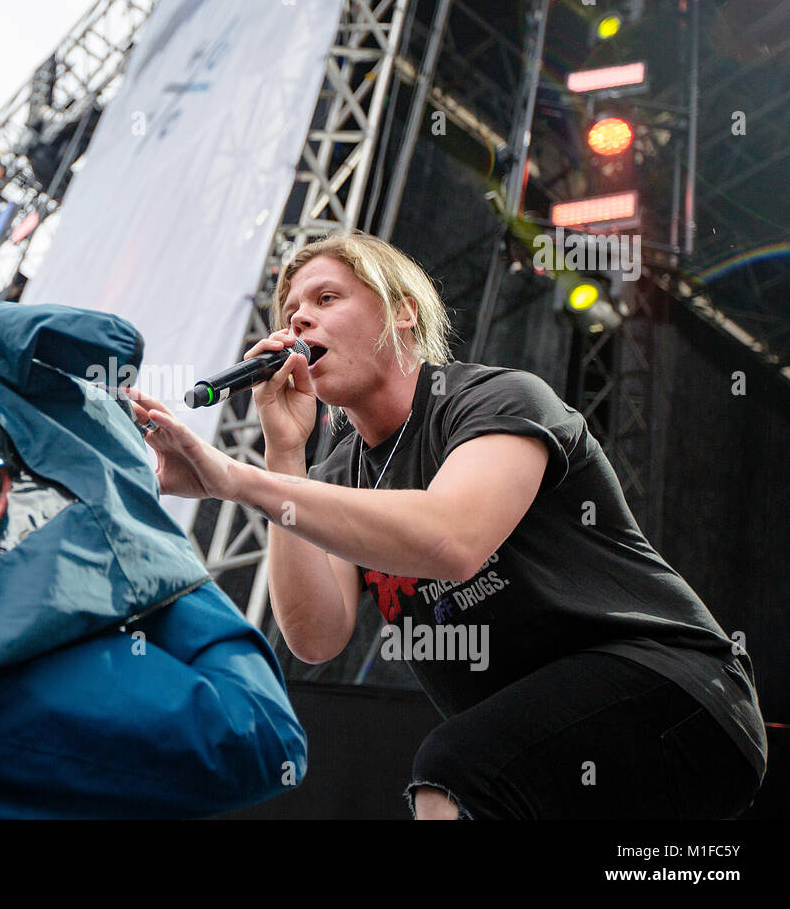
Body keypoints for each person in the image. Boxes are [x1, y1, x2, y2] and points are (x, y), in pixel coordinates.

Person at [125, 231, 766, 819]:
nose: (298, 319)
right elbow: (316, 635)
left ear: (402, 310)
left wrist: (236, 480)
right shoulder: (336, 472)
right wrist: (283, 456)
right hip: (547, 751)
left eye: (326, 297)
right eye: (290, 310)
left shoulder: (495, 398)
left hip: (679, 698)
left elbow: (451, 540)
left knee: (452, 773)